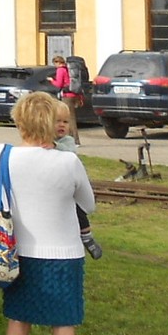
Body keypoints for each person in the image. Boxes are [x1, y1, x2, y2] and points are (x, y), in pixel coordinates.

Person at [0, 91, 95, 335]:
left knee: (18, 324)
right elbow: (89, 204)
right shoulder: (69, 161)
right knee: (65, 327)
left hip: (18, 254)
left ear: (21, 121)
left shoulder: (2, 154)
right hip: (64, 256)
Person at [53, 101, 103, 259]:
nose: (62, 125)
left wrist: (52, 145)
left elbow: (68, 154)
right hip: (56, 185)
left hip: (70, 184)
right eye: (57, 121)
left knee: (78, 209)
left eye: (65, 122)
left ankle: (87, 236)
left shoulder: (66, 141)